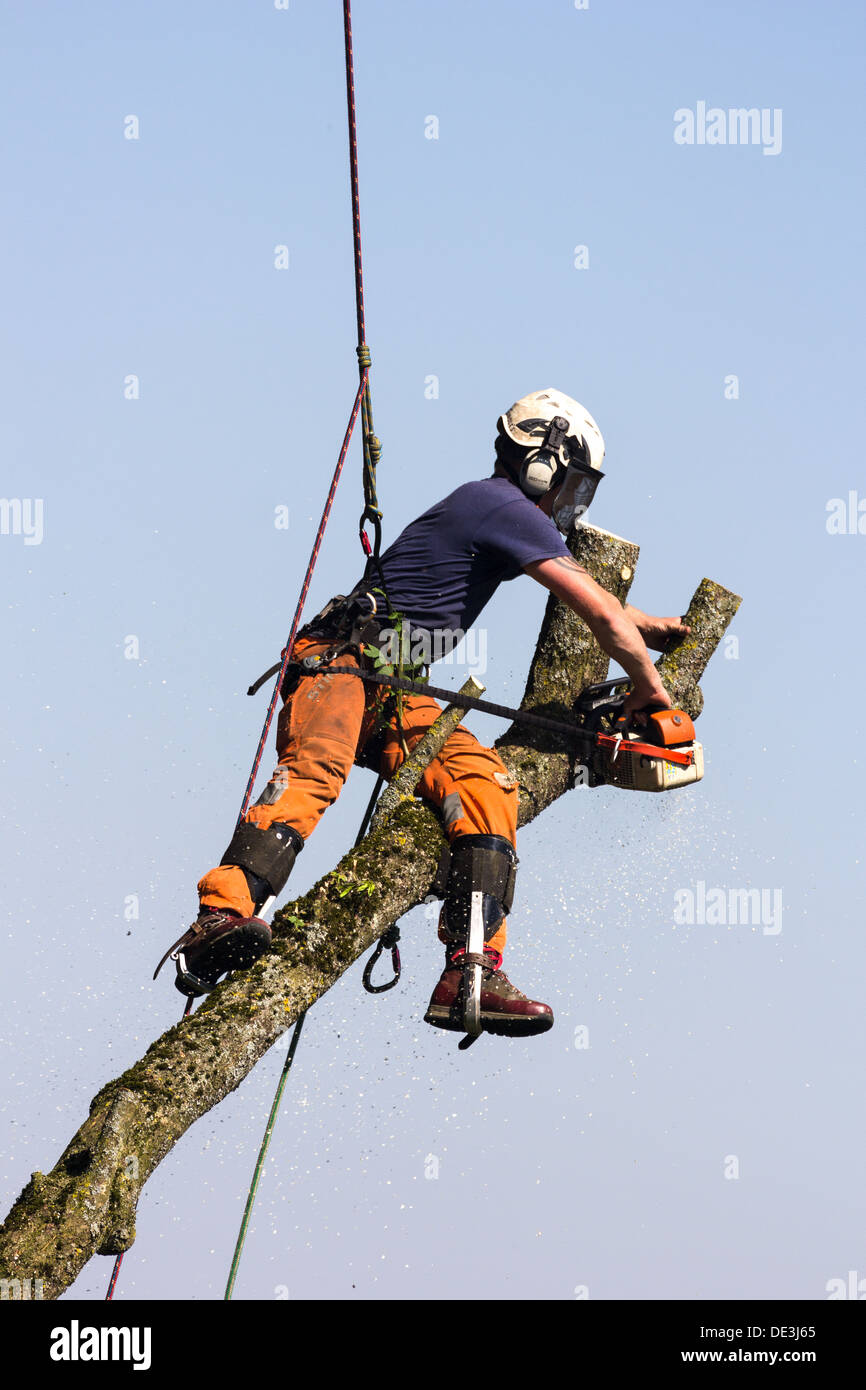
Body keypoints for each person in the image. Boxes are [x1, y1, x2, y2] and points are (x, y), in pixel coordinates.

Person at [155, 389, 689, 1036]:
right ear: (543, 463)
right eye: (571, 482)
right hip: (344, 660)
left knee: (486, 785)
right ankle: (221, 912)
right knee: (317, 771)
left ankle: (471, 971)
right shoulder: (501, 504)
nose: (572, 502)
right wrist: (652, 692)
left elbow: (601, 603)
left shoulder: (512, 520)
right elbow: (598, 611)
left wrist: (645, 626)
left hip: (398, 686)